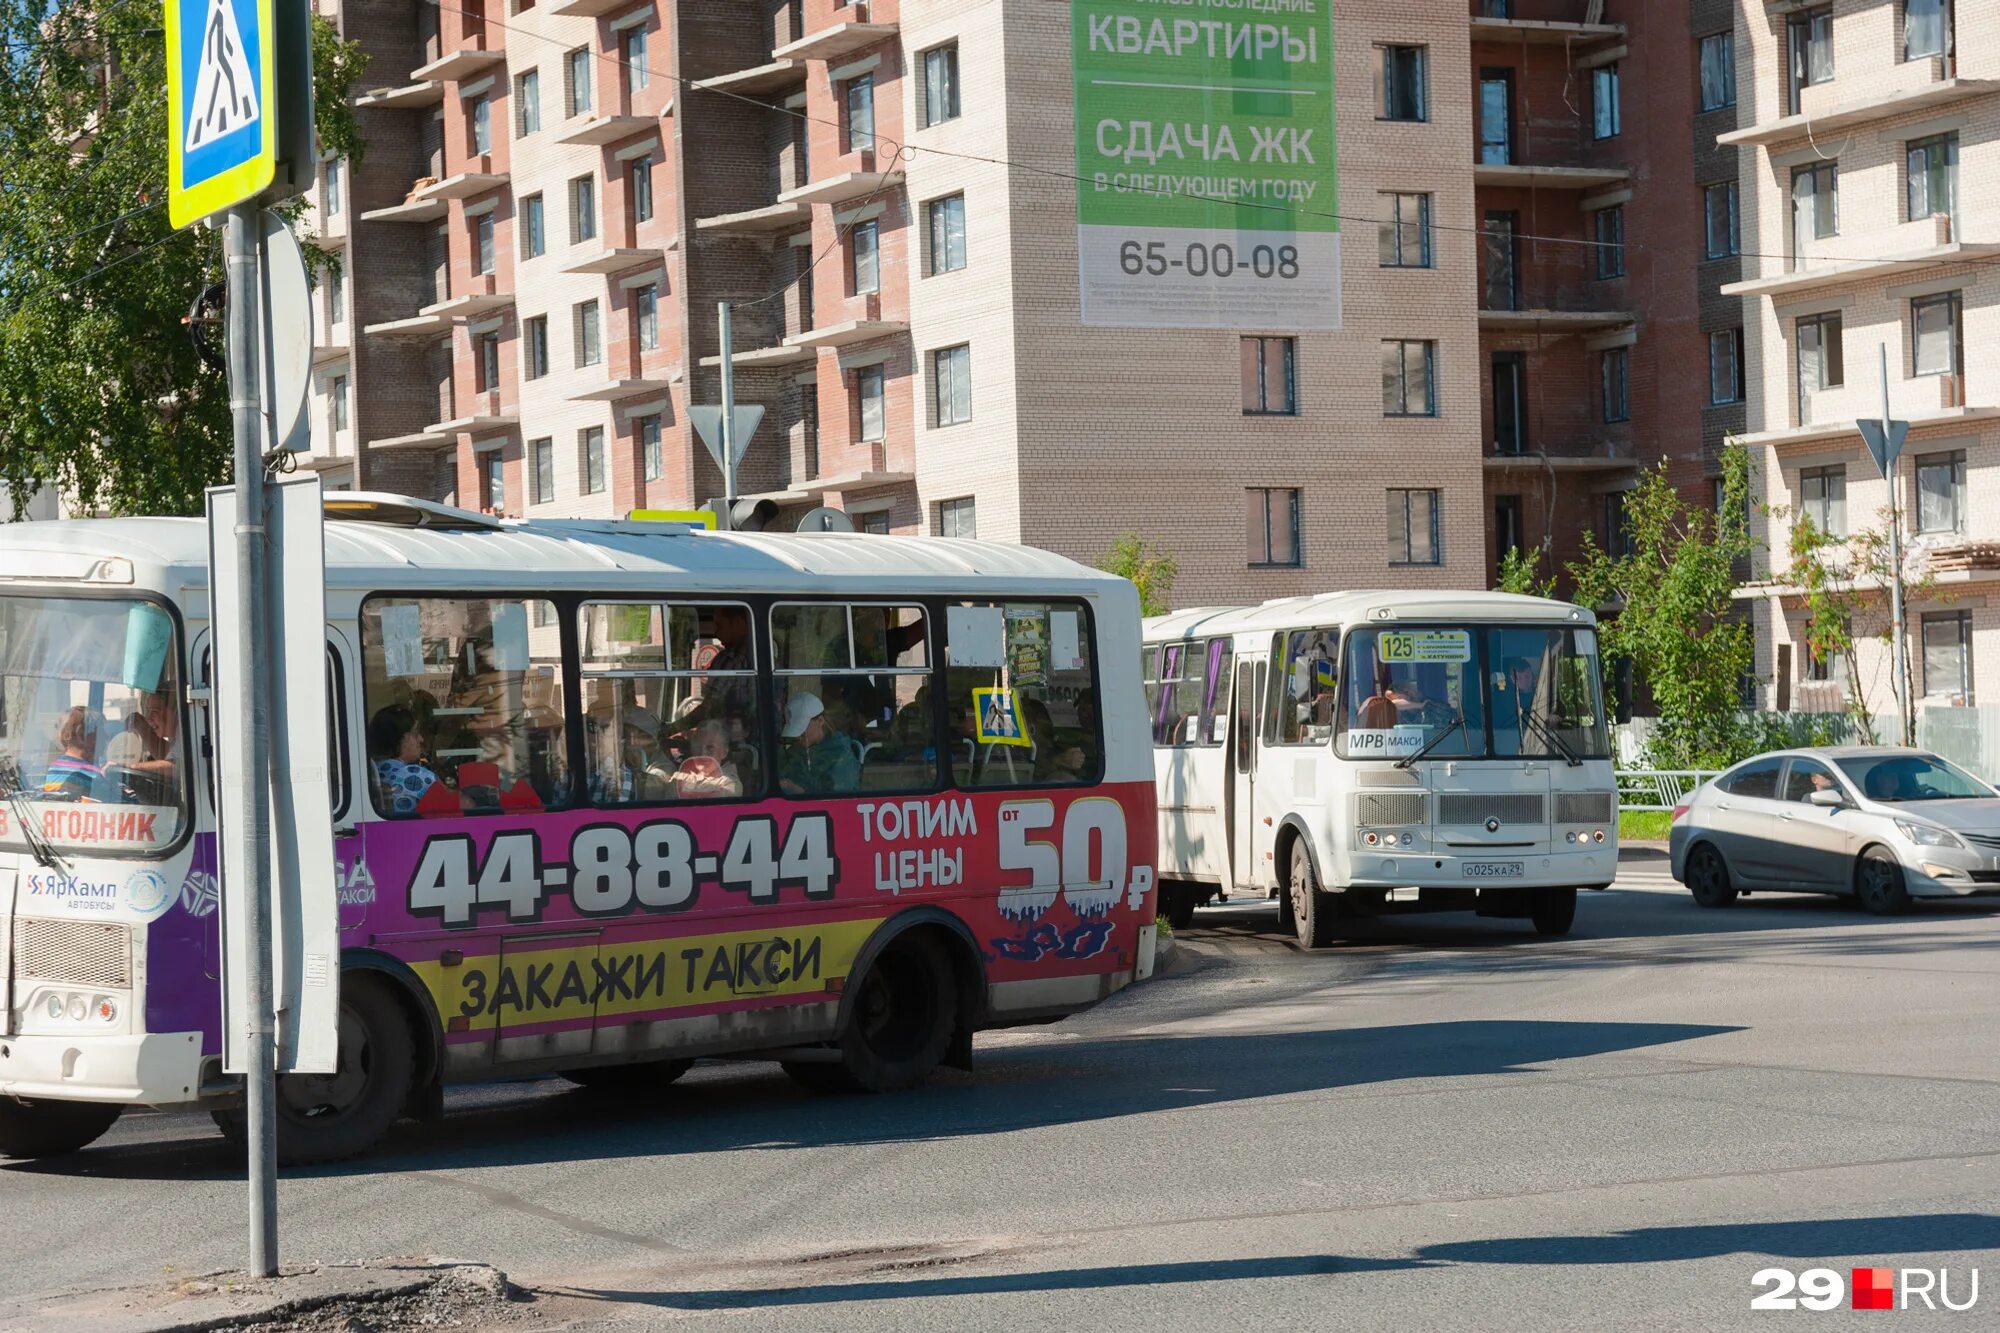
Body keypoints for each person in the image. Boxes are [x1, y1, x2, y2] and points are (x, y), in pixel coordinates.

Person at [779, 692, 859, 796]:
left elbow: (837, 798)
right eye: (795, 732)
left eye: (802, 730)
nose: (798, 737)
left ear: (820, 721)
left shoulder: (840, 755)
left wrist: (796, 789)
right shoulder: (797, 750)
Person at [369, 705, 437, 816]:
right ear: (400, 739)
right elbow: (462, 806)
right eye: (415, 734)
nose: (421, 739)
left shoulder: (367, 772)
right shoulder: (420, 777)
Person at [42, 707, 102, 798]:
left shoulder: (54, 767)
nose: (107, 737)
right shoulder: (92, 773)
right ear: (84, 736)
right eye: (102, 732)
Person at [675, 720, 744, 799]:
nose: (703, 754)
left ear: (724, 752)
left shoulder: (729, 784)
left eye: (710, 747)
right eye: (697, 747)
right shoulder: (680, 776)